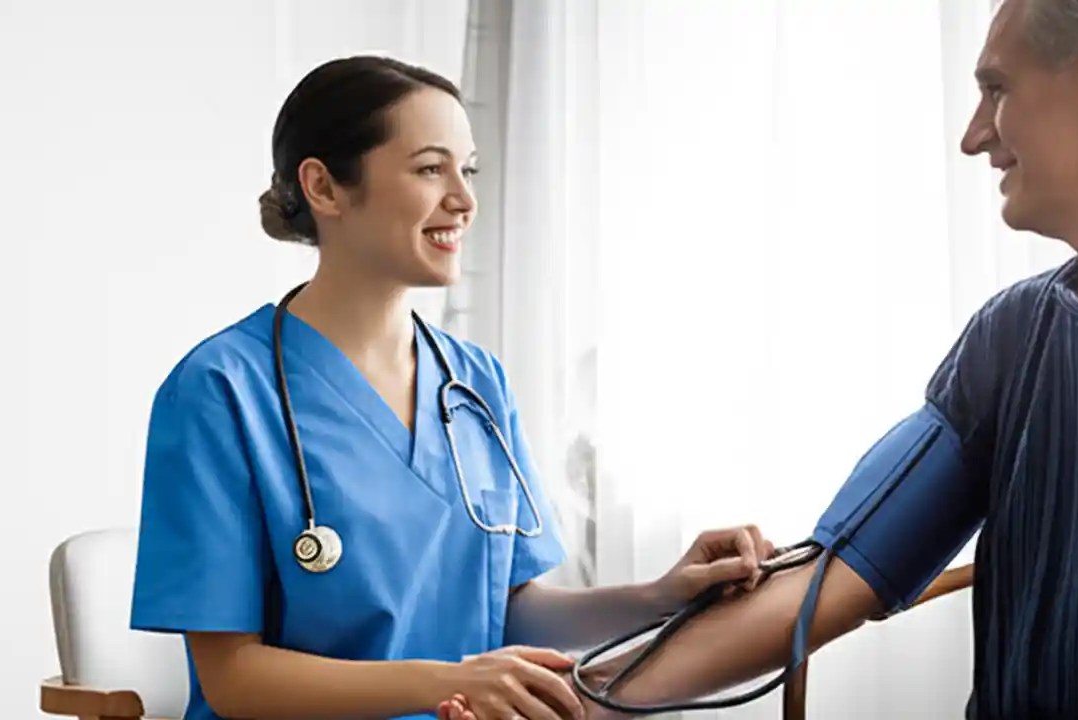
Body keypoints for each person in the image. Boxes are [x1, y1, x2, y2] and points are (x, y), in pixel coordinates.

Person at [438, 0, 1078, 717]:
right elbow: (829, 574)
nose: (973, 136)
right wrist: (585, 699)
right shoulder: (1016, 335)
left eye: (996, 89)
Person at [127, 55, 777, 720]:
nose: (464, 200)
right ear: (324, 188)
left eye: (467, 171)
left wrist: (659, 597)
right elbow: (234, 679)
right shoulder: (220, 391)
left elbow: (508, 610)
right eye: (431, 168)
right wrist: (440, 683)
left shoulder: (476, 384)